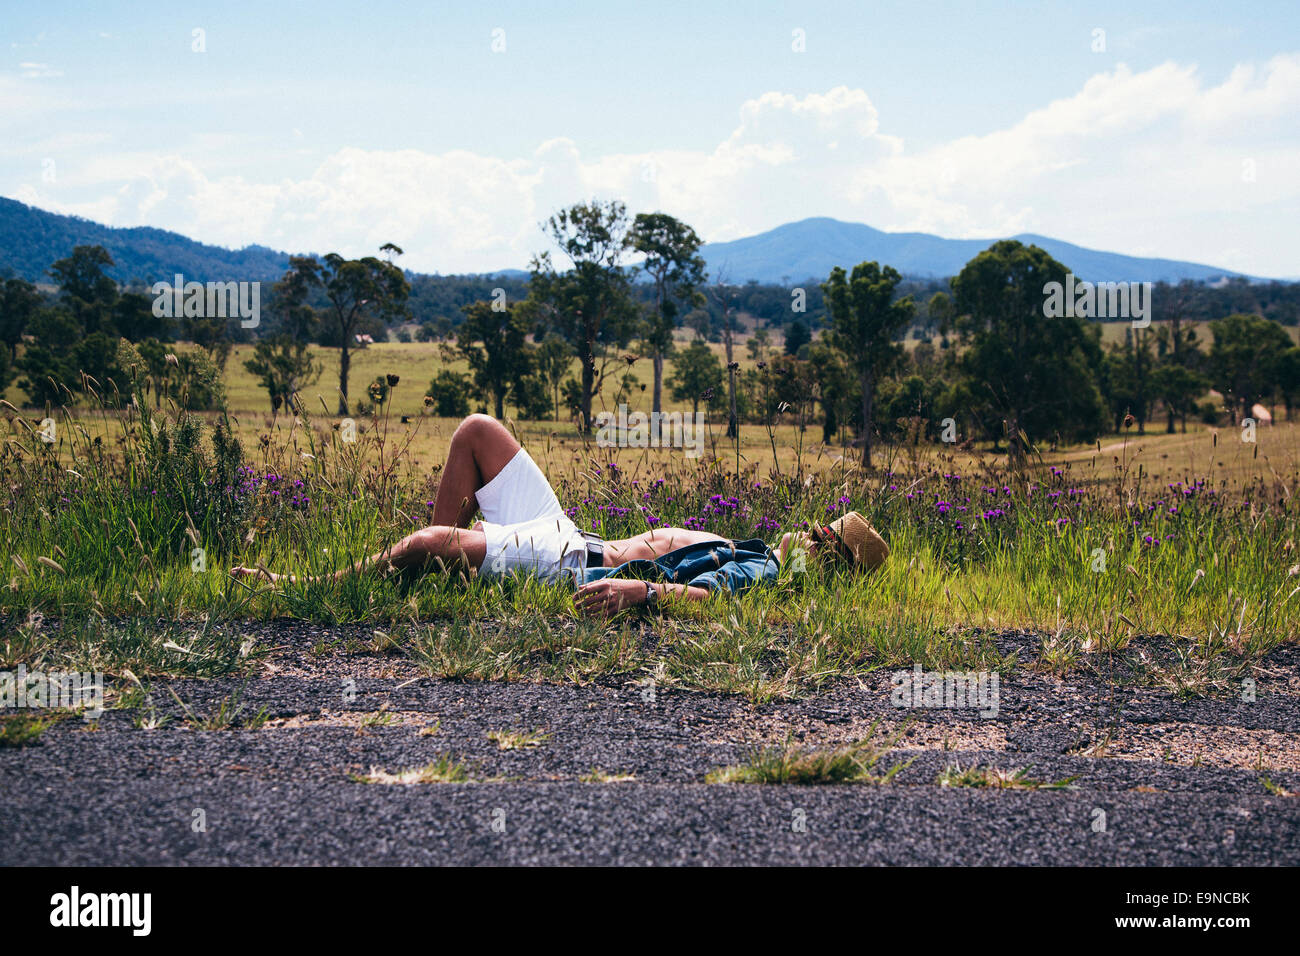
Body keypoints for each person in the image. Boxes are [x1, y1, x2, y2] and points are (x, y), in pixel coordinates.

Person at [230, 414, 888, 615]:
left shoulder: (764, 572)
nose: (806, 533)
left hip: (573, 564)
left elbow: (706, 599)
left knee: (429, 541)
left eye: (821, 538)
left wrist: (642, 590)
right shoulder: (760, 549)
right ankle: (433, 569)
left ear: (828, 562)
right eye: (816, 528)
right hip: (573, 535)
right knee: (477, 432)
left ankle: (310, 590)